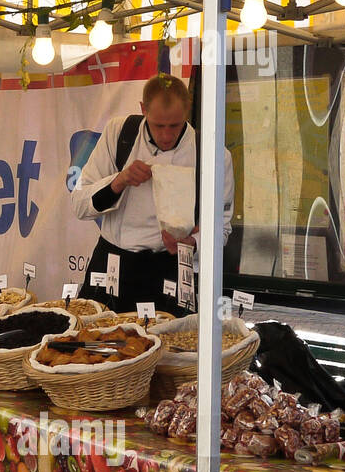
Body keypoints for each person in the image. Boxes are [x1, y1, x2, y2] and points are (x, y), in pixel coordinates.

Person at [72, 73, 234, 313]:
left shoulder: (213, 156)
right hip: (113, 262)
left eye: (174, 125)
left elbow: (222, 227)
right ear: (143, 109)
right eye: (159, 125)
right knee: (96, 344)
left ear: (188, 111)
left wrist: (192, 242)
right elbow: (79, 204)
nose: (166, 136)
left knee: (172, 347)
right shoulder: (120, 133)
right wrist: (120, 180)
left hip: (170, 266)